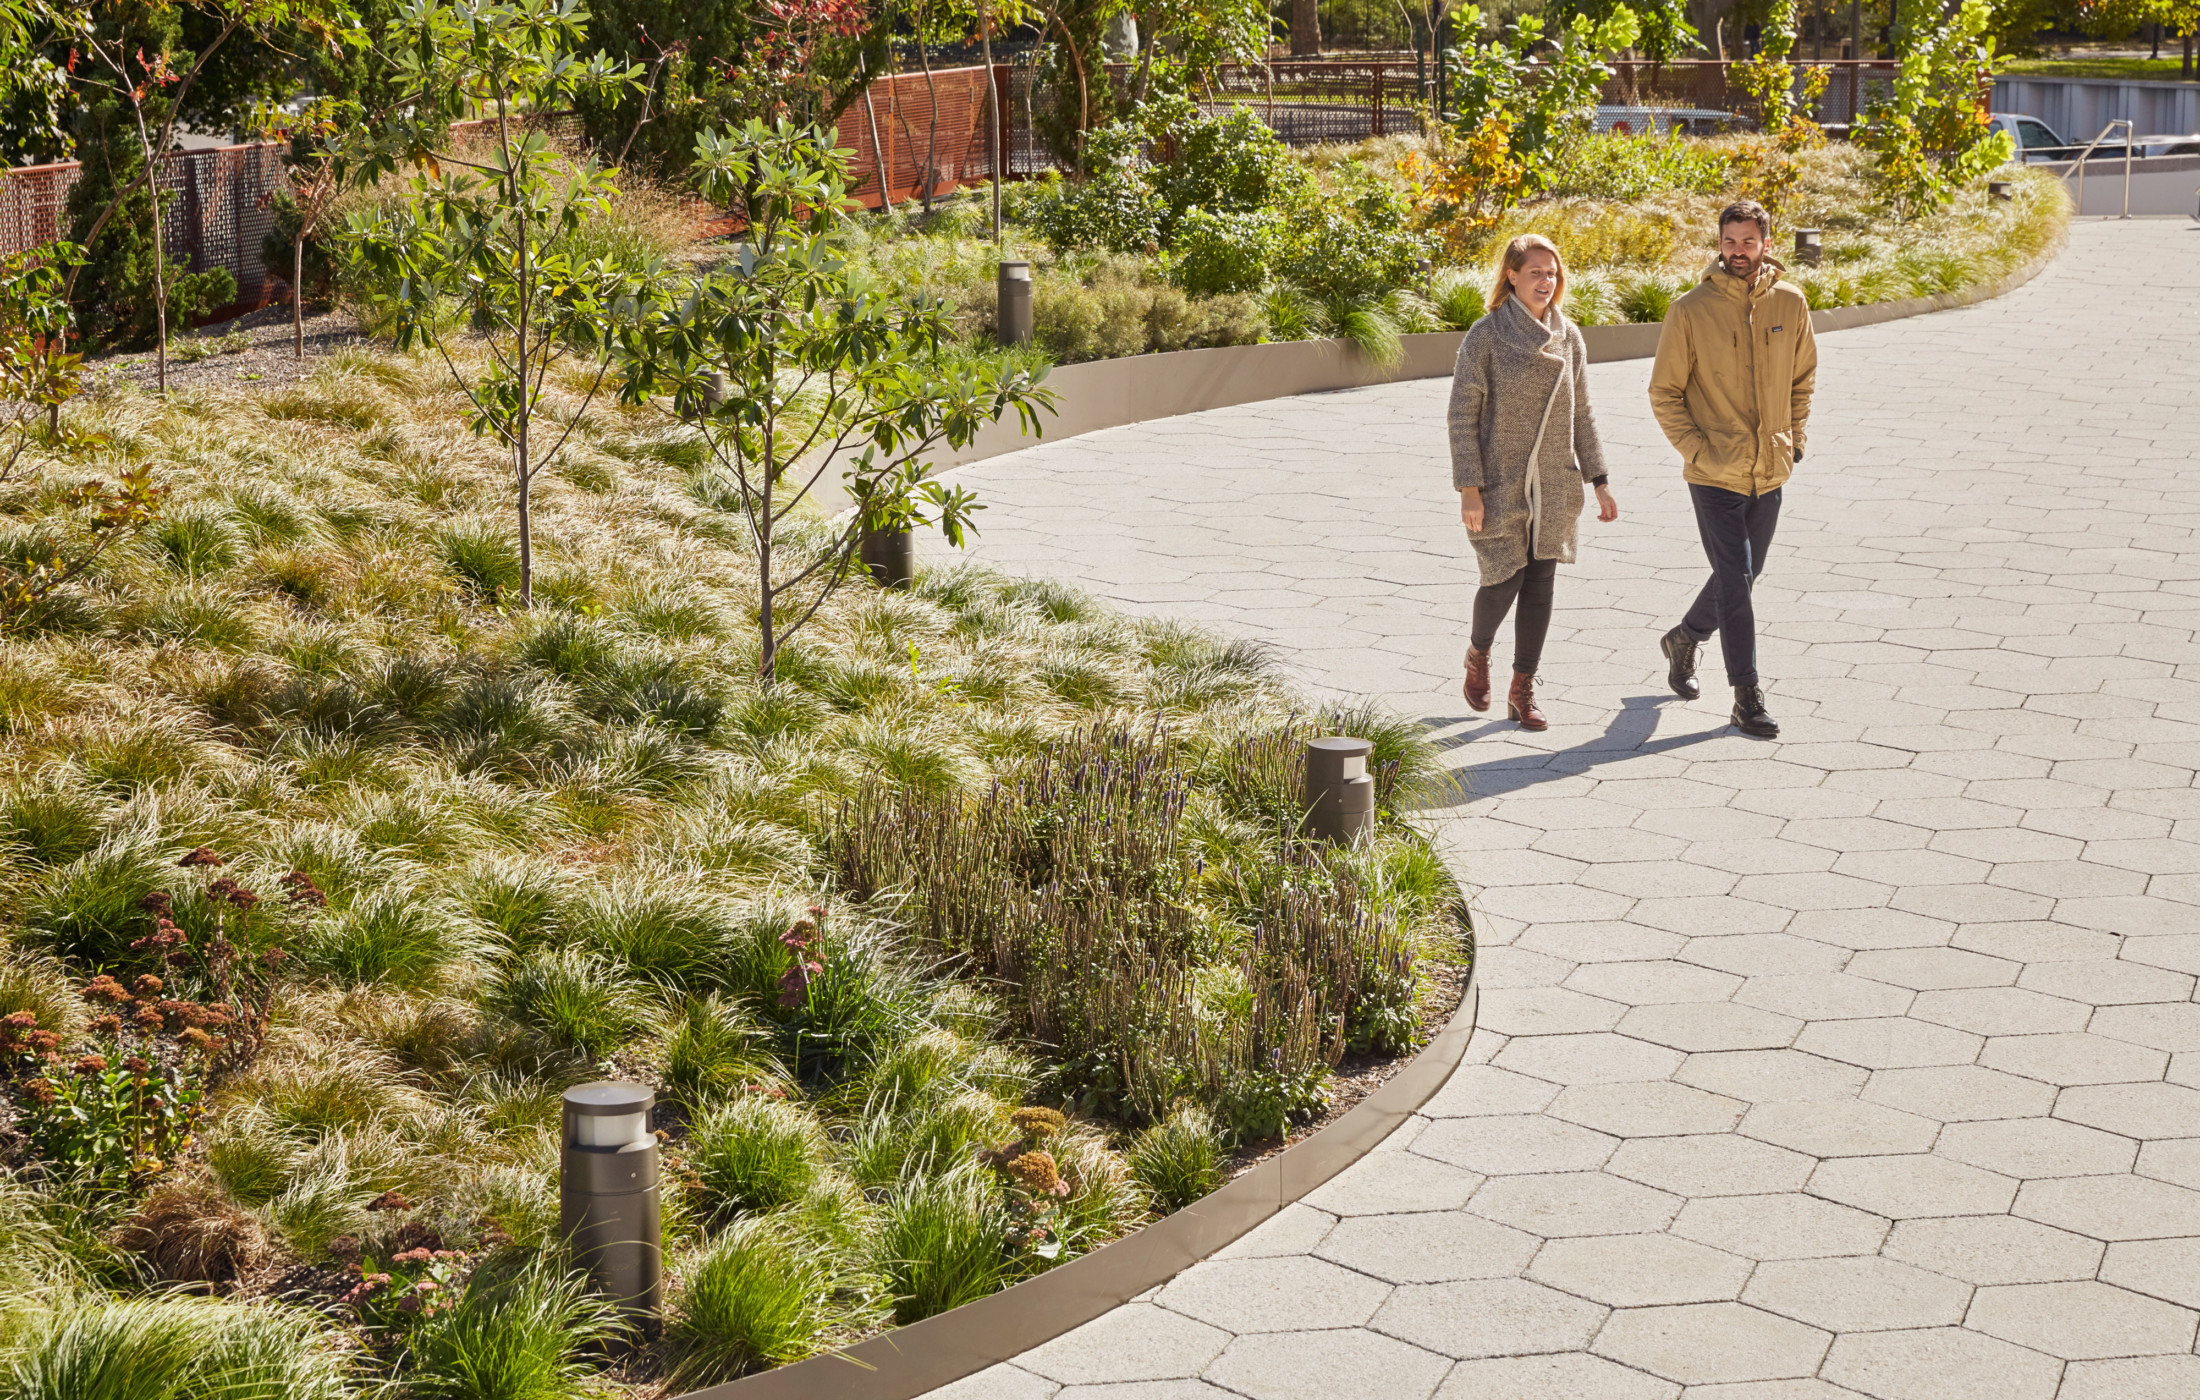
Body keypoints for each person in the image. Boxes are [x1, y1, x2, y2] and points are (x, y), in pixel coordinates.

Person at [1647, 199, 1817, 739]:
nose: (1737, 251)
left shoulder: (1790, 303)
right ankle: (1746, 695)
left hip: (1770, 469)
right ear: (1718, 244)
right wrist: (1697, 451)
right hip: (1713, 474)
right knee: (1737, 582)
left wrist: (1795, 441)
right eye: (1729, 241)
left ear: (1767, 244)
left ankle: (1685, 637)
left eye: (1748, 241)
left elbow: (1802, 379)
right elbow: (1664, 393)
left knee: (1744, 573)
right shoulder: (1690, 310)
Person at [1449, 233, 1618, 731]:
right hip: (1500, 481)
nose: (1546, 281)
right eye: (1536, 272)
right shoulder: (1487, 334)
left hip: (1555, 482)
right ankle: (1479, 653)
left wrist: (1599, 478)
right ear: (1512, 276)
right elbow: (1462, 417)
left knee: (1541, 579)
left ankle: (1523, 687)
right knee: (1503, 576)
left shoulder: (1570, 336)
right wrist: (1470, 489)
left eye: (1553, 273)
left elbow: (1582, 413)